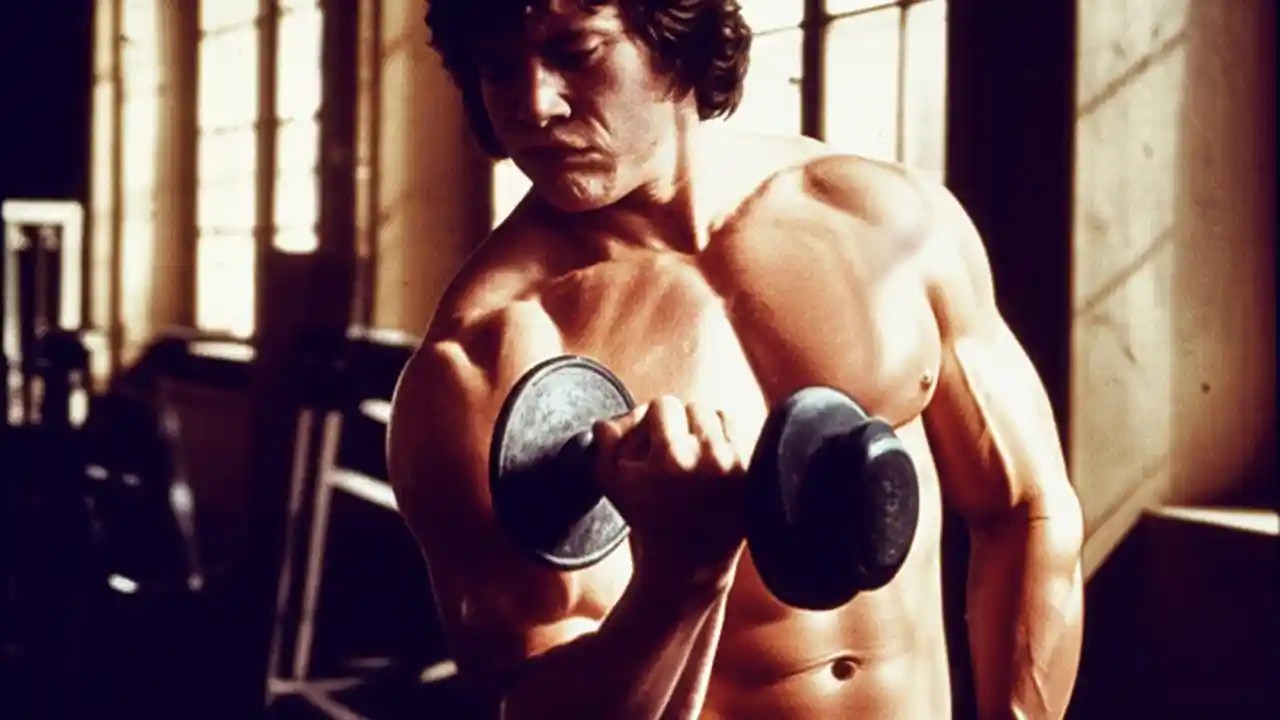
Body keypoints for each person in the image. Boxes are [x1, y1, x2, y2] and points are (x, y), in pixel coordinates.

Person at [387, 1, 1085, 718]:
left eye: (575, 53)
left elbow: (1026, 508)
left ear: (673, 38)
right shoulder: (487, 359)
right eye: (500, 70)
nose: (534, 105)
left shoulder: (883, 220)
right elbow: (533, 707)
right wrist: (681, 574)